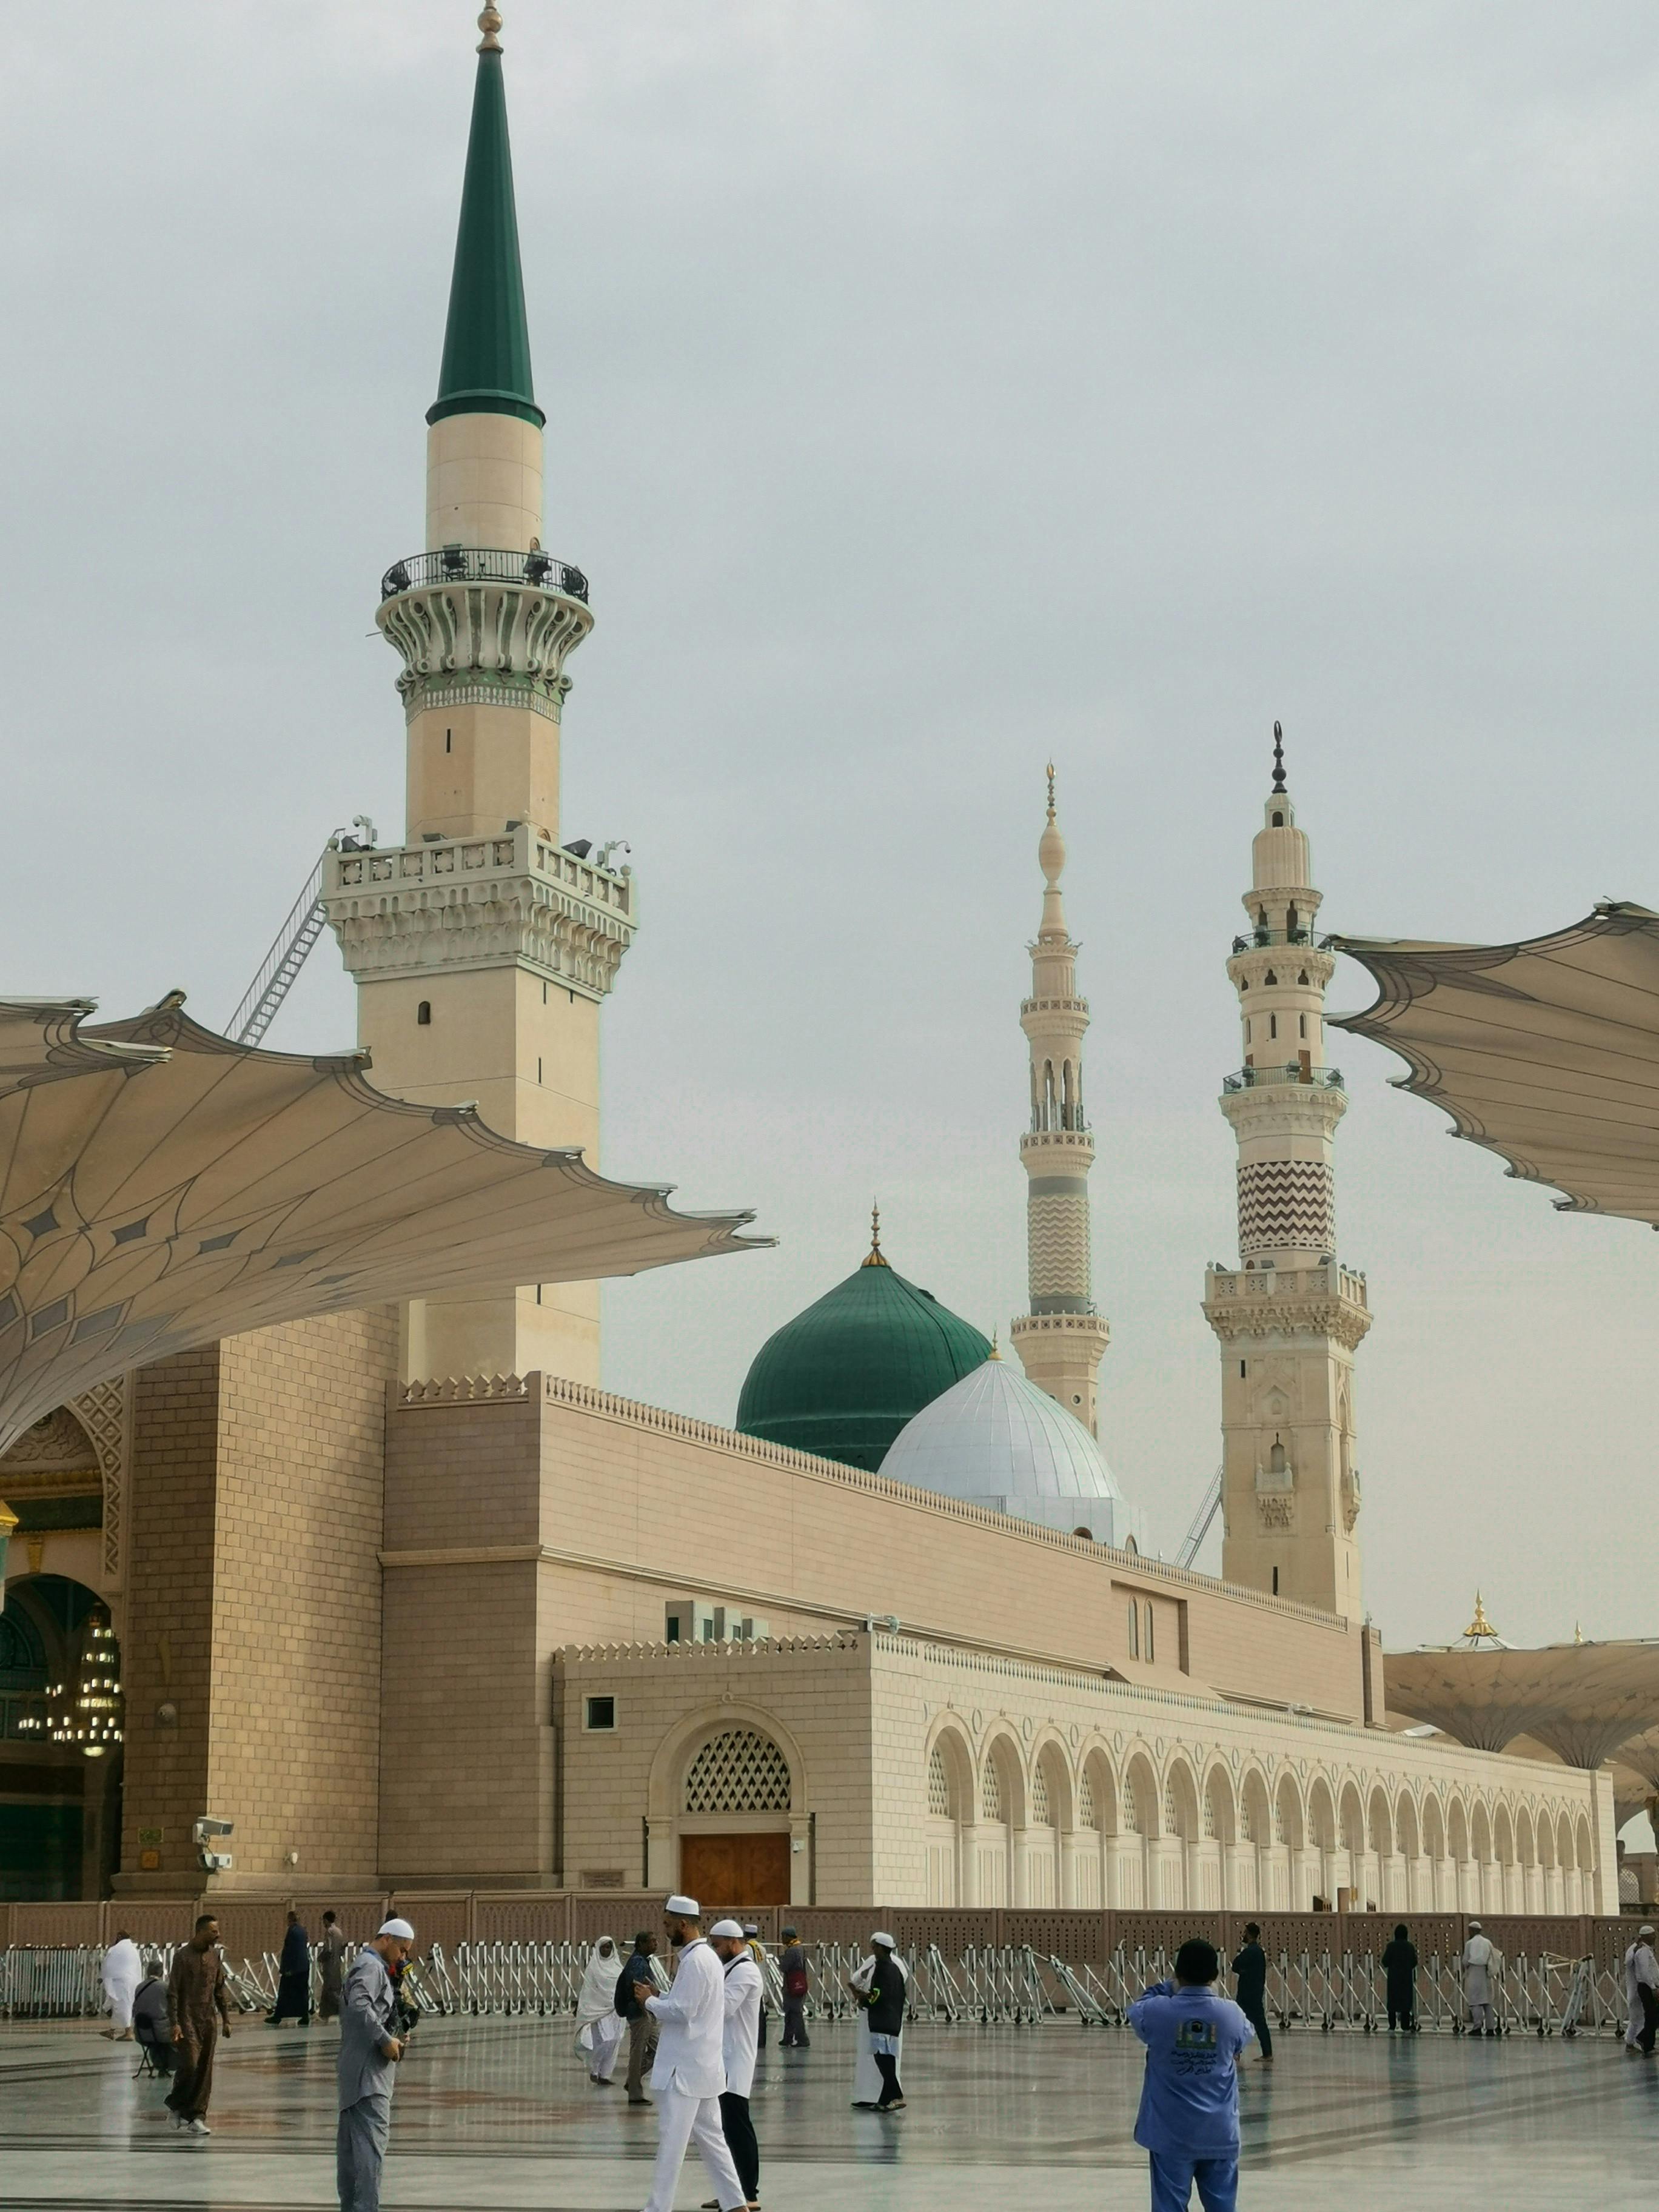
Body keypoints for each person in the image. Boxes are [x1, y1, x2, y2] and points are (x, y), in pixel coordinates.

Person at [632, 1895, 747, 2212]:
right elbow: (689, 2001)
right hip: (701, 2069)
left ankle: (658, 2208)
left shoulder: (696, 1961)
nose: (666, 1930)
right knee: (712, 2141)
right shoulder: (705, 1958)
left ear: (684, 1924)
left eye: (669, 1924)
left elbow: (685, 2012)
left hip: (684, 2073)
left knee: (672, 2143)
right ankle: (736, 2203)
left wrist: (649, 2002)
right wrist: (662, 1995)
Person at [1127, 1937, 1253, 2212]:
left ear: (1177, 1972)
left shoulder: (1159, 2011)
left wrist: (1166, 1988)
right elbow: (1244, 2038)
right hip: (1219, 2133)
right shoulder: (1231, 2014)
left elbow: (1136, 2010)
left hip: (1171, 2133)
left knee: (1169, 2205)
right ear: (1215, 1974)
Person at [337, 1917, 414, 2212]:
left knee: (352, 2154)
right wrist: (384, 2040)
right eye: (402, 1950)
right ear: (387, 1940)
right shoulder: (371, 1967)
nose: (403, 1957)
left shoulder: (367, 1965)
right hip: (369, 2077)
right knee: (370, 2153)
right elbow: (359, 2005)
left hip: (356, 2074)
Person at [710, 1919, 763, 2211]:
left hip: (735, 2062)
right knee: (725, 2130)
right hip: (723, 2061)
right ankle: (732, 2191)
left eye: (718, 1946)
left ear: (733, 1943)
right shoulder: (730, 1969)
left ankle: (749, 2194)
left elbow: (725, 2008)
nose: (715, 1951)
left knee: (738, 2128)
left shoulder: (745, 1971)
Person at [166, 1914, 232, 2135]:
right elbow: (173, 1992)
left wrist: (226, 2019)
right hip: (187, 2019)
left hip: (208, 2020)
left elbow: (219, 1989)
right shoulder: (182, 1957)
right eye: (214, 1931)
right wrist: (175, 2023)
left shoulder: (214, 1957)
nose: (218, 1935)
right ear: (201, 1931)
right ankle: (175, 2104)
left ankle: (196, 2116)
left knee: (205, 2070)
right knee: (191, 2065)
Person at [848, 1932, 907, 2111]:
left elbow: (877, 1995)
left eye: (874, 1947)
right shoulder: (896, 1967)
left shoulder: (882, 1967)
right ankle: (884, 2101)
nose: (872, 1950)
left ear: (881, 1948)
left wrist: (862, 1997)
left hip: (881, 2020)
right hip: (892, 2019)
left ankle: (895, 2094)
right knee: (887, 2059)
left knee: (882, 2059)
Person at [618, 1930, 661, 2105]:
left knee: (657, 2049)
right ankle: (635, 2094)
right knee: (637, 2053)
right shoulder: (638, 1963)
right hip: (640, 2013)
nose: (656, 1944)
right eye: (652, 1941)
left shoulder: (642, 1961)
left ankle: (632, 2080)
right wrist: (646, 2009)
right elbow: (638, 1988)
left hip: (645, 2013)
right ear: (641, 1944)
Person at [576, 1936, 626, 2086]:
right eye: (604, 1947)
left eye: (609, 1947)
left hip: (616, 2010)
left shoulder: (618, 1967)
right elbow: (589, 1991)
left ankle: (605, 2075)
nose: (606, 1950)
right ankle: (594, 2069)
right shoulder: (593, 1968)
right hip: (599, 2010)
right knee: (605, 2040)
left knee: (615, 2041)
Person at [1228, 1924, 1272, 2065]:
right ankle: (1266, 2052)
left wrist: (1243, 1971)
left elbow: (1235, 1965)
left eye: (1245, 1933)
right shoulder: (1259, 1952)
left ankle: (1237, 2052)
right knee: (1259, 2023)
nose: (1243, 1935)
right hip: (1255, 1991)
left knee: (1240, 2022)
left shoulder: (1250, 1951)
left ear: (1251, 1935)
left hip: (1247, 1994)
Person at [133, 1954, 177, 2077]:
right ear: (161, 1972)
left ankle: (159, 2064)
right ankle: (173, 2066)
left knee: (157, 2043)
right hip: (160, 2033)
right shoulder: (164, 1987)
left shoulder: (139, 1987)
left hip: (141, 2032)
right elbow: (173, 2007)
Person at [269, 1910, 313, 2027]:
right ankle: (304, 2016)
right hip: (304, 1966)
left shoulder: (292, 1931)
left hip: (294, 1968)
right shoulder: (303, 1930)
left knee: (284, 1992)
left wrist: (286, 1968)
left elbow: (290, 1951)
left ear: (290, 1920)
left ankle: (278, 2016)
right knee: (302, 1992)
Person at [1623, 1925, 1659, 2056]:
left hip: (1646, 1987)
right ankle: (1638, 2041)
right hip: (1642, 1988)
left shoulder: (1645, 1950)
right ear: (1645, 1936)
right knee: (1639, 2017)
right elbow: (1643, 1971)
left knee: (1649, 2016)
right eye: (1652, 1934)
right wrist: (1653, 1988)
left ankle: (1641, 2040)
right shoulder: (1641, 1950)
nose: (1655, 1937)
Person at [100, 1929, 141, 2040]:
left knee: (123, 2007)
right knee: (120, 2007)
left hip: (120, 1983)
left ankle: (129, 2033)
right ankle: (112, 2031)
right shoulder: (133, 1949)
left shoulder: (115, 1949)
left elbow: (107, 1965)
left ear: (119, 1936)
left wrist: (103, 1978)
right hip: (132, 1982)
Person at [1461, 1920, 1498, 2037]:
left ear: (1472, 1930)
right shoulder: (1488, 1942)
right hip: (1486, 1973)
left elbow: (1465, 1961)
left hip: (1474, 1973)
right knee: (1487, 2002)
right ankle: (1490, 2029)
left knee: (1475, 2002)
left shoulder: (1470, 1943)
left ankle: (1477, 2027)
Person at [1381, 1923, 1418, 2033]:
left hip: (1394, 1978)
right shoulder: (1410, 1946)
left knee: (1392, 2001)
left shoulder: (1391, 1946)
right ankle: (1405, 2025)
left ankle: (1392, 2025)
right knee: (1406, 2002)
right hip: (1406, 1978)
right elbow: (1414, 1962)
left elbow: (1385, 1962)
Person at [779, 1926, 809, 2049]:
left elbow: (784, 1967)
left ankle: (802, 2039)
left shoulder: (792, 1951)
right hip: (799, 1984)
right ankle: (788, 2038)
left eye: (783, 1936)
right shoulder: (800, 1948)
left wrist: (781, 1961)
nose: (782, 1939)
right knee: (791, 2013)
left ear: (788, 1936)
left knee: (795, 2013)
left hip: (792, 1986)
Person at [742, 1924, 770, 2050]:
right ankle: (762, 2039)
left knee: (753, 2015)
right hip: (761, 1983)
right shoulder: (762, 1948)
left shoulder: (747, 1948)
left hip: (751, 1985)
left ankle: (756, 2039)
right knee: (761, 2014)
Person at [319, 1912, 348, 2023]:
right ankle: (325, 2014)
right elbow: (341, 1950)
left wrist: (321, 1957)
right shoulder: (339, 1932)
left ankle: (344, 2009)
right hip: (337, 1965)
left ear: (326, 1920)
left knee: (330, 1990)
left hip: (330, 1965)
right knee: (332, 1989)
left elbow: (329, 1949)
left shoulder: (330, 1932)